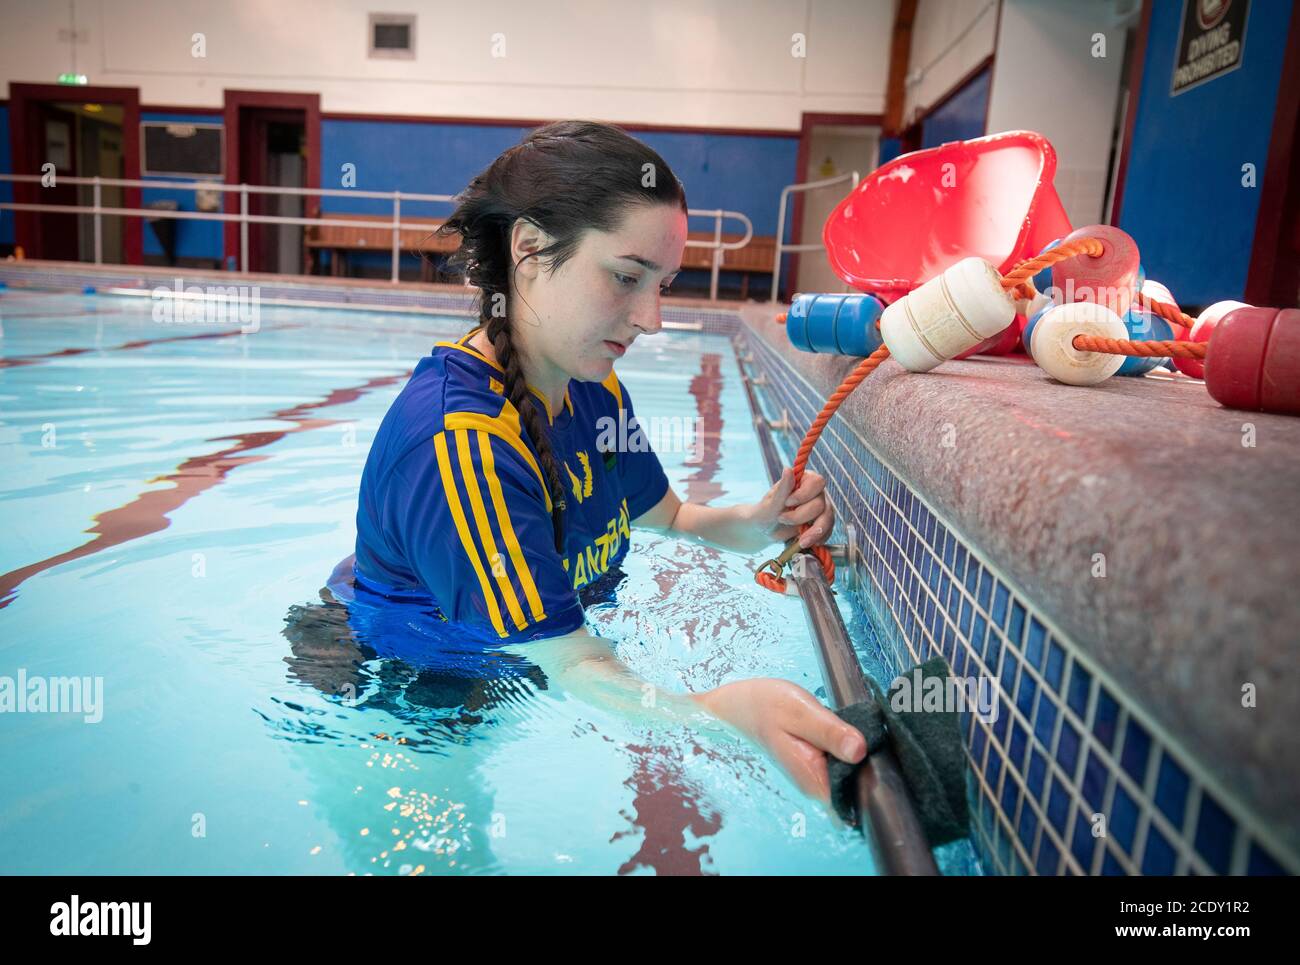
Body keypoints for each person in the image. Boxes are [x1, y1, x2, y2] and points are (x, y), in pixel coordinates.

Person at [341, 120, 866, 804]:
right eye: (626, 276)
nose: (651, 317)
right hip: (408, 698)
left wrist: (756, 522)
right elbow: (575, 662)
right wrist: (723, 713)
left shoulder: (590, 383)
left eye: (664, 283)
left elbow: (670, 515)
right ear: (529, 249)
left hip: (525, 659)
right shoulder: (460, 448)